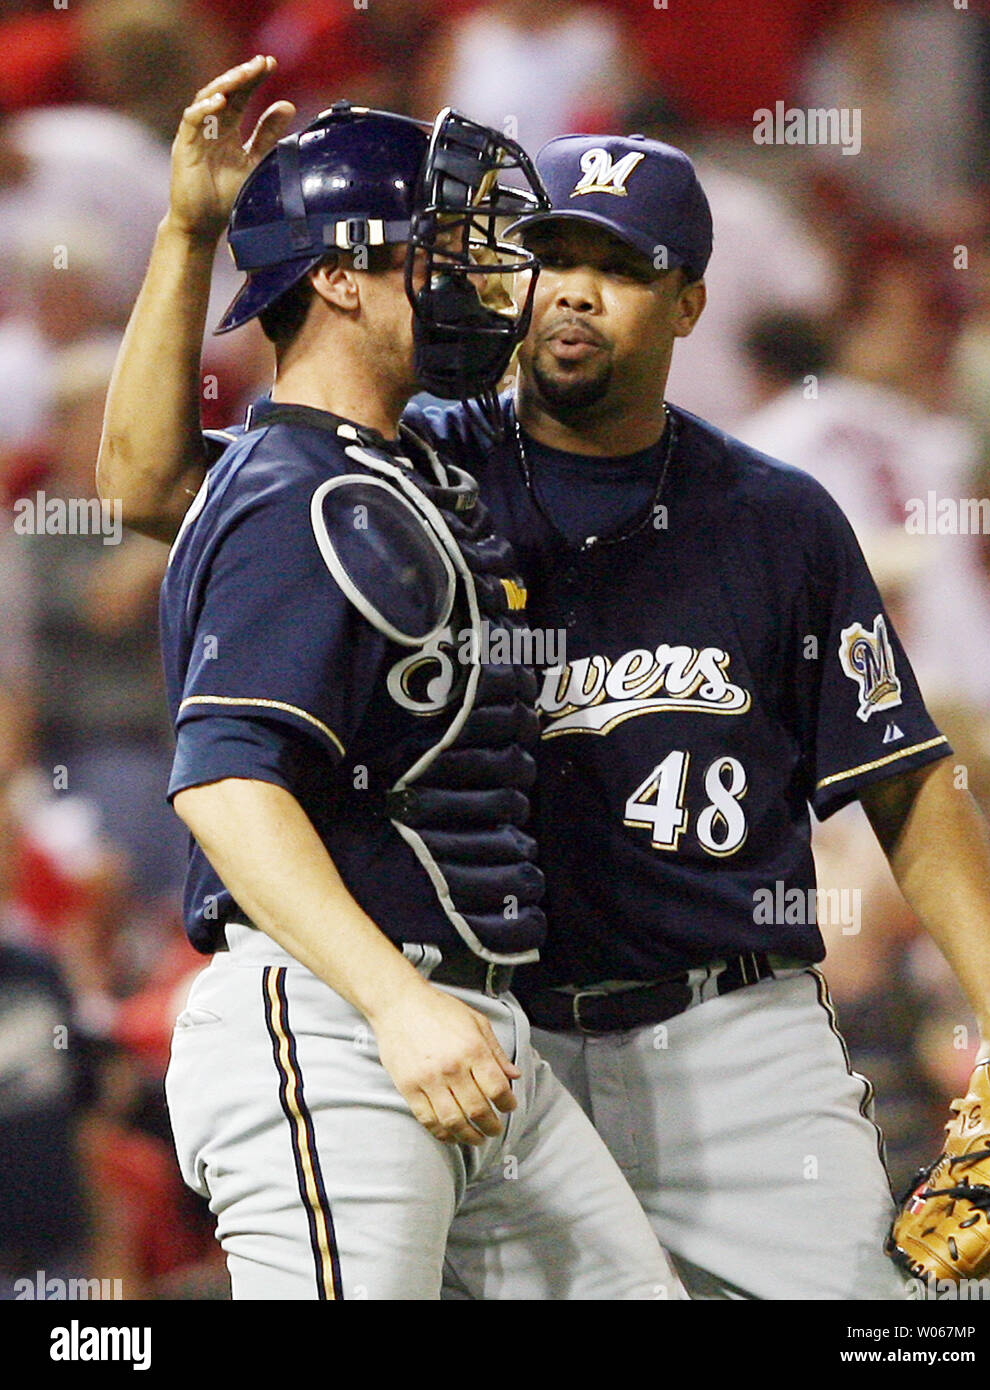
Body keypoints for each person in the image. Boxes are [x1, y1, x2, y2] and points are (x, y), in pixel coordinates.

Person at [99, 61, 990, 1301]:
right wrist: (189, 235)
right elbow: (155, 488)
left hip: (719, 1033)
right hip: (483, 1025)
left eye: (620, 266)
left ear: (689, 302)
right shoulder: (413, 467)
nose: (571, 294)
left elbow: (906, 780)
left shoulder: (773, 517)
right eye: (552, 256)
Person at [104, 58, 679, 1300]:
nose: (482, 281)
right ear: (338, 276)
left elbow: (143, 482)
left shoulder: (390, 467)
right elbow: (225, 787)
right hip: (342, 1018)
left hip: (469, 1029)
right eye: (439, 247)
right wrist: (396, 1006)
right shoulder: (298, 500)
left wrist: (192, 229)